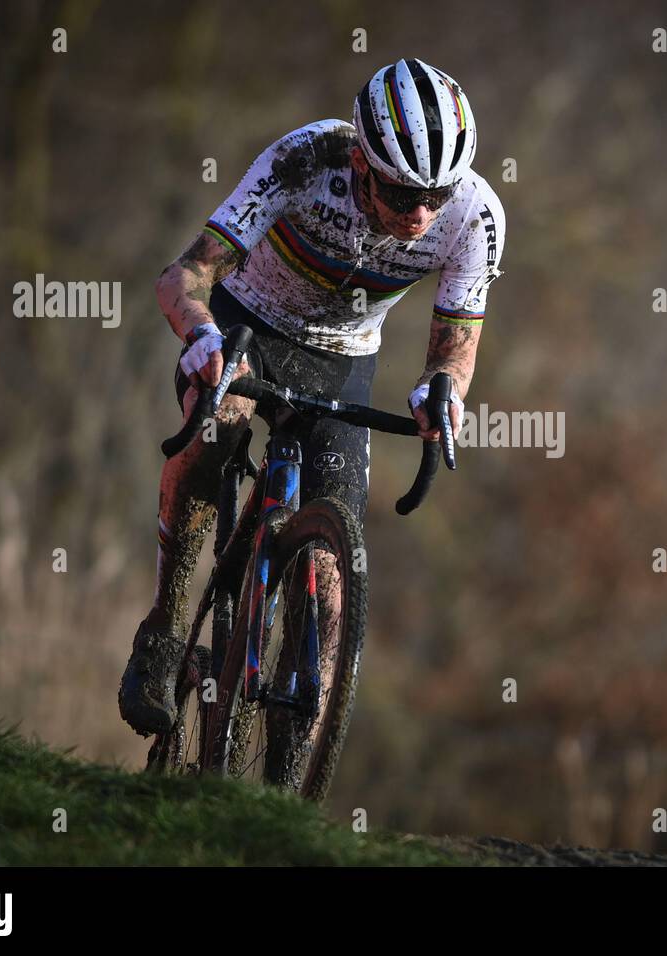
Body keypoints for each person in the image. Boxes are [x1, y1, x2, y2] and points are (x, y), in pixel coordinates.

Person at [118, 58, 506, 736]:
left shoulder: (474, 216)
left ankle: (302, 743)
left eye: (435, 197)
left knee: (332, 561)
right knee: (221, 427)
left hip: (343, 357)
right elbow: (185, 274)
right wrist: (203, 335)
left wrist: (441, 391)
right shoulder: (304, 158)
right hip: (248, 325)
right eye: (401, 192)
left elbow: (454, 347)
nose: (419, 214)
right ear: (360, 161)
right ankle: (164, 623)